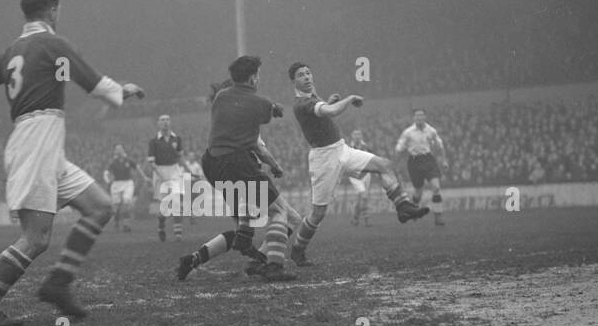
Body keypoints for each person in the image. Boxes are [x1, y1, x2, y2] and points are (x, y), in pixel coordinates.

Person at [0, 0, 145, 326]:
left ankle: (58, 283)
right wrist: (123, 91)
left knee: (100, 208)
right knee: (36, 239)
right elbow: (94, 84)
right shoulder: (54, 44)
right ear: (53, 10)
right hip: (36, 145)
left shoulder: (10, 52)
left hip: (42, 147)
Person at [286, 62, 428, 266]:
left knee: (383, 165)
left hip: (342, 149)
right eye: (301, 75)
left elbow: (326, 109)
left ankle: (403, 207)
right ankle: (298, 250)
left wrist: (329, 101)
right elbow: (332, 112)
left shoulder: (312, 97)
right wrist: (349, 98)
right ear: (294, 81)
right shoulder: (302, 104)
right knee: (318, 214)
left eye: (309, 73)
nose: (307, 77)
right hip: (324, 159)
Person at [176, 56, 297, 282]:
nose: (259, 79)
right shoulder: (259, 103)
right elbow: (264, 116)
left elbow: (244, 107)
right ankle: (273, 266)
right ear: (252, 78)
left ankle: (193, 259)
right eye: (258, 75)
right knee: (281, 213)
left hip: (212, 164)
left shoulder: (221, 98)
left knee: (242, 232)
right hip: (238, 163)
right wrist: (274, 108)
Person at [395, 108, 448, 226]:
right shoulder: (408, 132)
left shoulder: (431, 131)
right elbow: (399, 149)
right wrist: (396, 164)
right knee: (418, 191)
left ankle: (438, 217)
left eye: (421, 115)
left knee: (436, 187)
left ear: (425, 117)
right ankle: (413, 212)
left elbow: (440, 146)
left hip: (428, 160)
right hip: (414, 162)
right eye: (417, 115)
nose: (419, 117)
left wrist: (444, 160)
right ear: (414, 118)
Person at [146, 114, 184, 242]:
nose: (165, 122)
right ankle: (161, 225)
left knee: (177, 200)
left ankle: (178, 233)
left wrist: (190, 171)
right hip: (160, 172)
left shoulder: (177, 139)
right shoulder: (154, 141)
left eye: (167, 119)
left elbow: (180, 158)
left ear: (170, 122)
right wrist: (163, 178)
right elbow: (151, 163)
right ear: (158, 123)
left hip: (174, 171)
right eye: (162, 120)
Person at [105, 144, 144, 232]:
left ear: (123, 150)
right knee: (116, 207)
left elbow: (137, 168)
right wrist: (108, 180)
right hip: (116, 184)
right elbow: (107, 172)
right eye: (116, 149)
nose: (118, 151)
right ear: (115, 151)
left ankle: (126, 225)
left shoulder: (128, 160)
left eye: (120, 149)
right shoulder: (113, 162)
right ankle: (116, 221)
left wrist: (144, 177)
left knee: (126, 202)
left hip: (127, 183)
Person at [346, 129, 372, 226]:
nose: (357, 136)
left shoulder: (366, 147)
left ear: (361, 136)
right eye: (355, 134)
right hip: (355, 175)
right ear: (352, 136)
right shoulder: (348, 147)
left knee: (360, 198)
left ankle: (355, 218)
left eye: (359, 134)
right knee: (364, 195)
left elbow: (372, 159)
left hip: (366, 174)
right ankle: (366, 220)